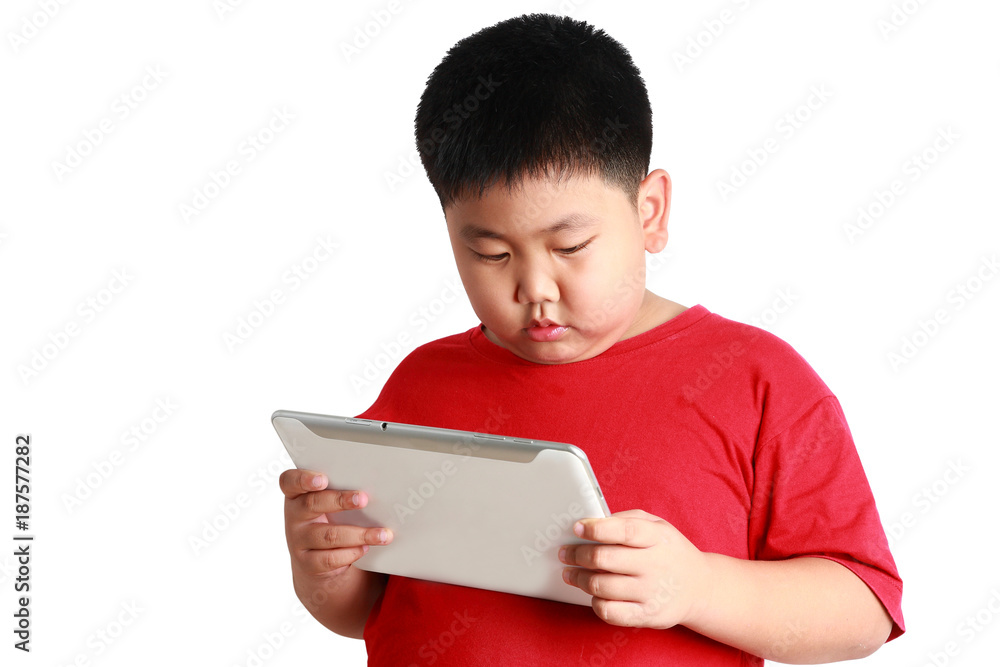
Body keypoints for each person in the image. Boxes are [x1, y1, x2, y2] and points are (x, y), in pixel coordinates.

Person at [279, 13, 904, 665]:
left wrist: (696, 586)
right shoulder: (419, 384)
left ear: (650, 212)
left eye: (570, 246)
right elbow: (363, 609)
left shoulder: (754, 380)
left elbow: (862, 610)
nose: (535, 287)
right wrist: (323, 567)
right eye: (492, 253)